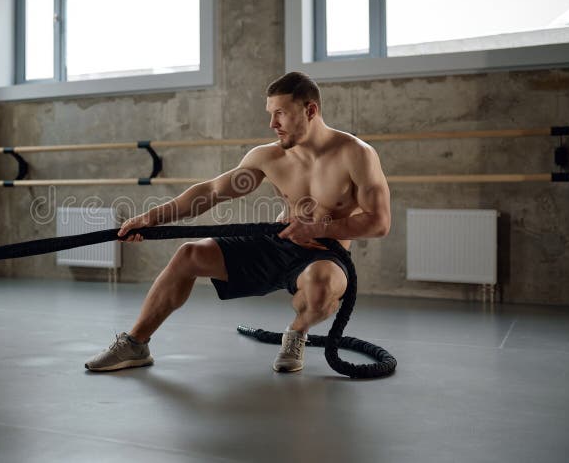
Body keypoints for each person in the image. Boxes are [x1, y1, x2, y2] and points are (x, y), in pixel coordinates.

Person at [85, 71, 391, 373]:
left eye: (281, 114)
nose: (272, 124)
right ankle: (136, 344)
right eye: (271, 114)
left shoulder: (356, 155)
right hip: (278, 242)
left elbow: (379, 222)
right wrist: (151, 218)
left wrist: (319, 228)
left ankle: (297, 331)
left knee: (320, 289)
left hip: (326, 254)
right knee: (189, 255)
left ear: (310, 110)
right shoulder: (269, 157)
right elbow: (211, 192)